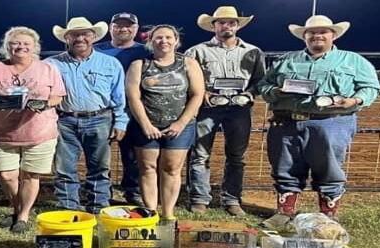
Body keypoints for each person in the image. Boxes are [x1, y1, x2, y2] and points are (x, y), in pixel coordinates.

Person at [257, 15, 380, 227]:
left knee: (329, 168)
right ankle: (284, 213)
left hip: (331, 122)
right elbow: (263, 86)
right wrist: (276, 91)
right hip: (286, 122)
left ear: (333, 35)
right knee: (284, 167)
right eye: (312, 33)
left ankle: (327, 217)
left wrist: (353, 100)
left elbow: (371, 88)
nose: (317, 36)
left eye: (323, 32)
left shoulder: (353, 60)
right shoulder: (287, 60)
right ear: (304, 36)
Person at [0, 27, 66, 233]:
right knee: (7, 176)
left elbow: (58, 96)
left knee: (30, 176)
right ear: (7, 46)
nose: (21, 47)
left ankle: (23, 215)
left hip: (39, 132)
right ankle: (16, 209)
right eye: (16, 43)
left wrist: (44, 104)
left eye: (26, 44)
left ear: (34, 47)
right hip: (2, 133)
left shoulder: (48, 68)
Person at [185, 6, 266, 216]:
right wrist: (203, 94)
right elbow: (187, 80)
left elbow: (260, 81)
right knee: (200, 155)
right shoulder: (196, 51)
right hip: (207, 109)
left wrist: (249, 94)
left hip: (239, 109)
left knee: (236, 156)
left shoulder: (254, 52)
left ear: (238, 26)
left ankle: (232, 199)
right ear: (214, 26)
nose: (226, 26)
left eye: (231, 22)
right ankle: (199, 198)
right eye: (221, 22)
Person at [45, 17, 128, 214]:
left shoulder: (110, 63)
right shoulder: (51, 64)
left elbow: (119, 95)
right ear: (67, 38)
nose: (80, 38)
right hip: (64, 119)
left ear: (93, 37)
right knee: (64, 168)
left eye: (85, 34)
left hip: (100, 118)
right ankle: (68, 206)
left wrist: (121, 121)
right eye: (74, 34)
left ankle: (98, 206)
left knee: (100, 167)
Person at [125, 25, 205, 220]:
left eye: (169, 37)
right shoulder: (139, 65)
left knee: (172, 169)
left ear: (176, 41)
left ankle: (168, 214)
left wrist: (181, 123)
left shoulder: (188, 63)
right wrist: (145, 124)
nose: (164, 41)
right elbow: (133, 97)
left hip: (179, 126)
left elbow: (197, 95)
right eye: (159, 37)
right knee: (147, 168)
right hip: (146, 126)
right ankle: (151, 212)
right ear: (150, 41)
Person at [96, 12, 149, 206]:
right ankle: (102, 190)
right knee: (101, 155)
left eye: (129, 25)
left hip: (136, 110)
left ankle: (132, 190)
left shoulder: (146, 52)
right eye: (118, 25)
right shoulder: (97, 51)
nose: (123, 29)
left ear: (136, 29)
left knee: (133, 155)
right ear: (111, 28)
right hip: (104, 111)